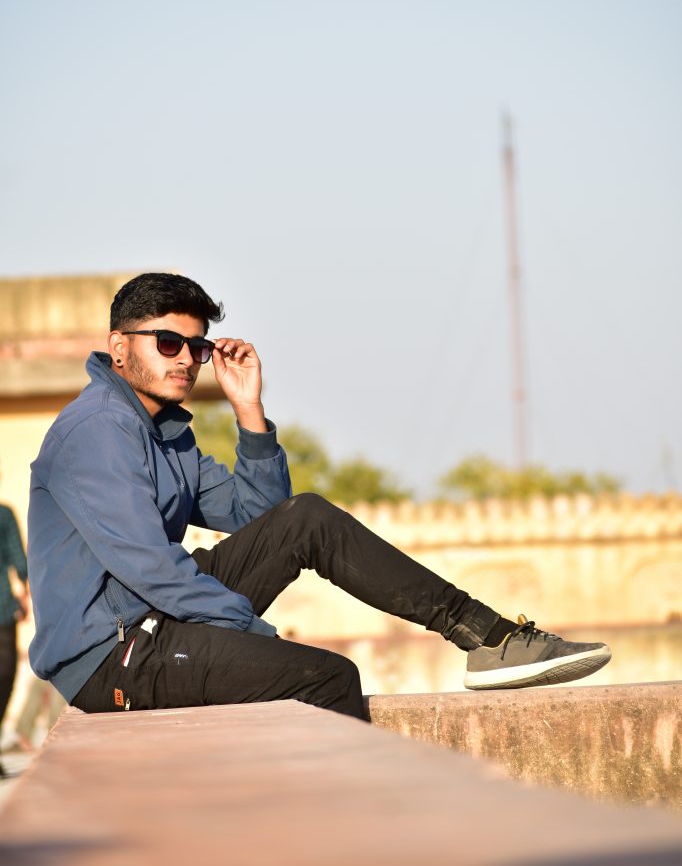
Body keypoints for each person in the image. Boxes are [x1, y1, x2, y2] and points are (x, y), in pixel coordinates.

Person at [27, 273, 610, 719]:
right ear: (119, 345)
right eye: (168, 342)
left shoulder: (166, 433)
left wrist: (249, 411)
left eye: (197, 347)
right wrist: (252, 636)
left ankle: (490, 639)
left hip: (157, 618)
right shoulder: (97, 433)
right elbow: (150, 567)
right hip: (114, 654)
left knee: (307, 518)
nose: (186, 360)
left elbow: (262, 515)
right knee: (326, 676)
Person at [0, 496, 29, 775]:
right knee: (5, 675)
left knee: (5, 676)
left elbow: (19, 561)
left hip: (3, 609)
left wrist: (23, 592)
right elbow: (19, 561)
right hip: (3, 610)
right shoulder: (3, 514)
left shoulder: (4, 515)